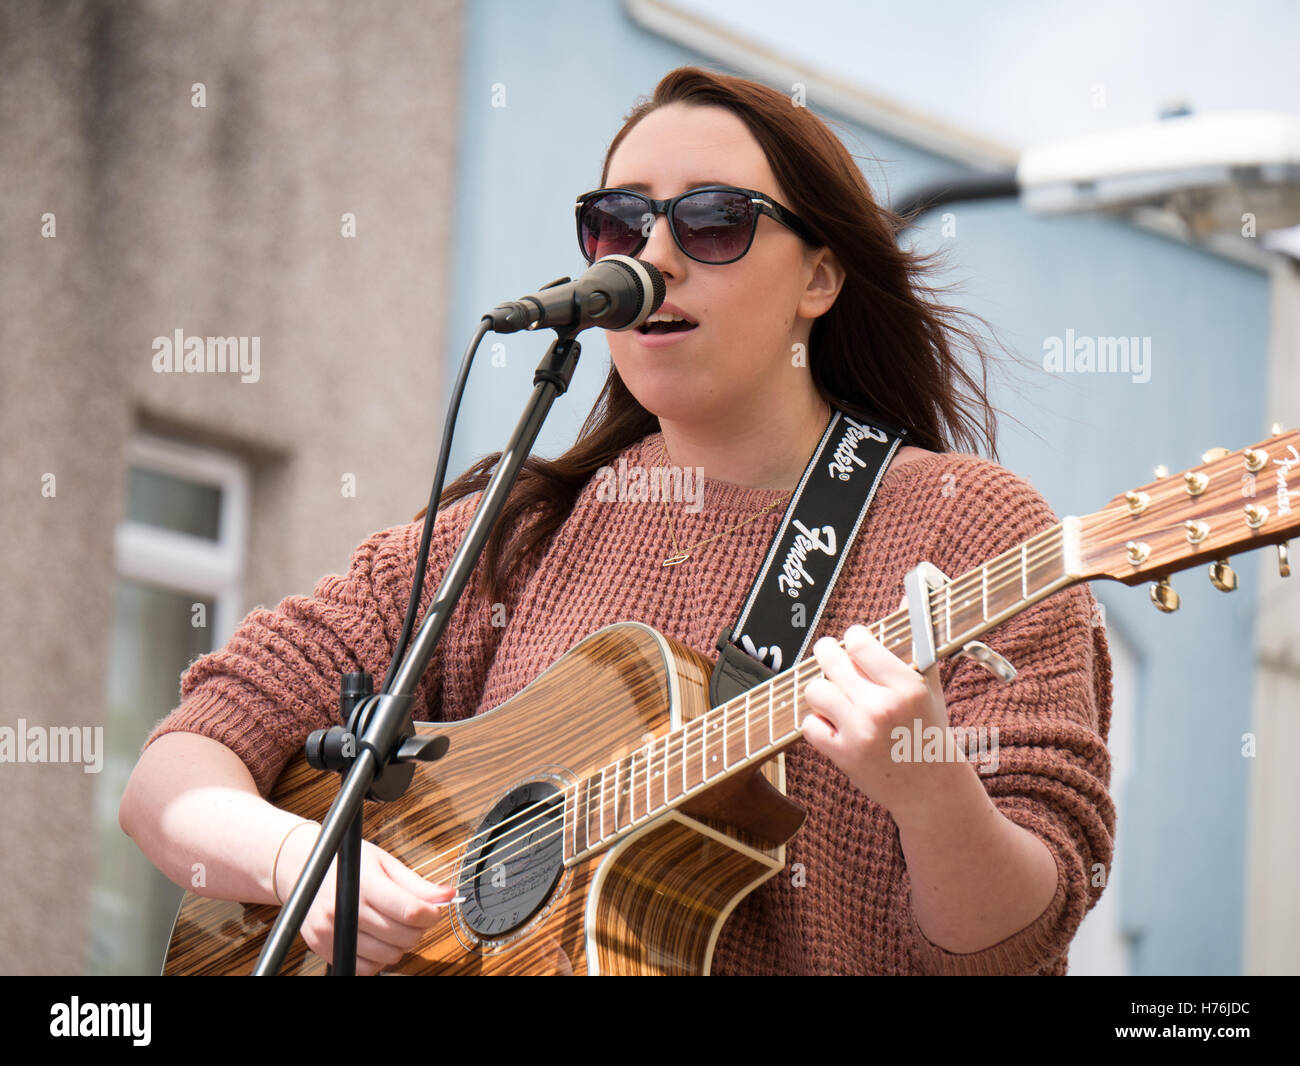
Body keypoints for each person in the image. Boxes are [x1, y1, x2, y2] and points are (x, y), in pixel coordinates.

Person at [120, 66, 1114, 976]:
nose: (656, 256)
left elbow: (1014, 939)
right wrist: (303, 857)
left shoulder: (964, 526)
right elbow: (174, 772)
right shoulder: (518, 529)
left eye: (715, 221)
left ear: (819, 276)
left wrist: (929, 785)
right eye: (618, 222)